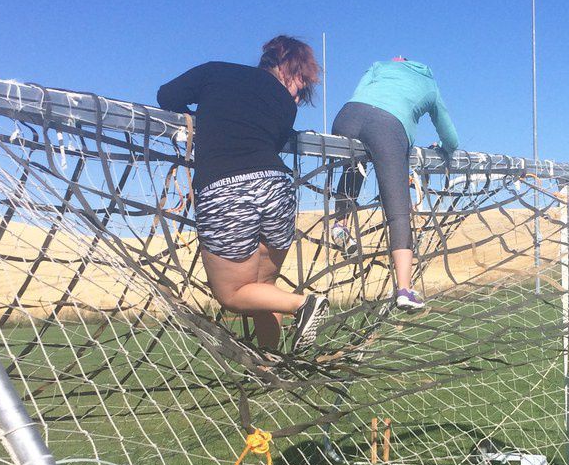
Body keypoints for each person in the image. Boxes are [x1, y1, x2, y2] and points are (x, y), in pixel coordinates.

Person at [157, 36, 328, 351]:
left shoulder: (215, 72)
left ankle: (304, 305)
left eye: (304, 89)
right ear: (280, 62)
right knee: (264, 288)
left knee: (232, 294)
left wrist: (205, 116)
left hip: (227, 189)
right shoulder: (283, 105)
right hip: (277, 188)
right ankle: (269, 364)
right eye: (299, 78)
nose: (298, 92)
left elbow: (166, 96)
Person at [331, 57, 458, 311]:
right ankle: (404, 289)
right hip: (388, 126)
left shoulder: (379, 66)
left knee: (356, 163)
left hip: (346, 116)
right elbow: (448, 133)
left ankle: (340, 226)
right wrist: (446, 148)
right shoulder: (429, 82)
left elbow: (361, 93)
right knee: (398, 211)